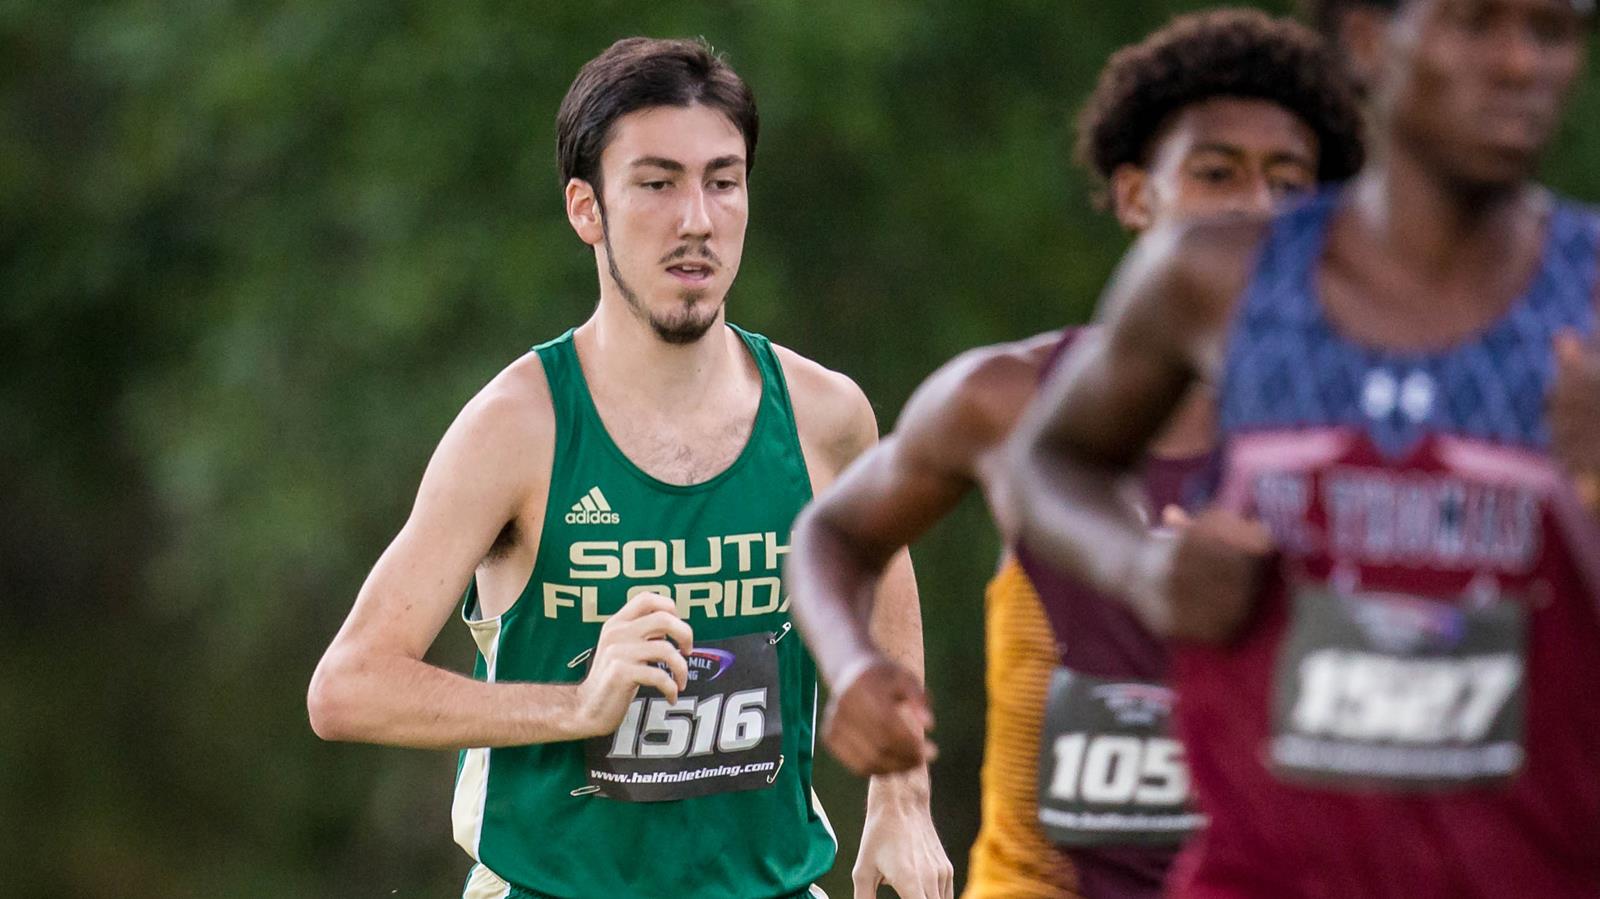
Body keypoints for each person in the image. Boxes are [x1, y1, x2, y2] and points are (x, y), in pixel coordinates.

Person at [306, 36, 951, 899]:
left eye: (723, 181)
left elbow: (882, 563)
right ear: (587, 209)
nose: (697, 220)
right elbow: (349, 685)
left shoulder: (826, 416)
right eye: (657, 184)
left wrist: (902, 798)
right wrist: (577, 706)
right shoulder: (517, 427)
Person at [1007, 0, 1600, 895]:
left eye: (1553, 32)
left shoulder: (1590, 299)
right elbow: (1049, 462)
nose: (1522, 65)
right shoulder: (1221, 275)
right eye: (1475, 24)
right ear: (1368, 39)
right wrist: (1145, 568)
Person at [786, 11, 1363, 899]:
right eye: (1216, 172)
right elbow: (831, 534)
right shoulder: (1010, 398)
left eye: (1288, 183)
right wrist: (854, 666)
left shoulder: (1380, 423)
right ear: (1136, 196)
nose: (1255, 208)